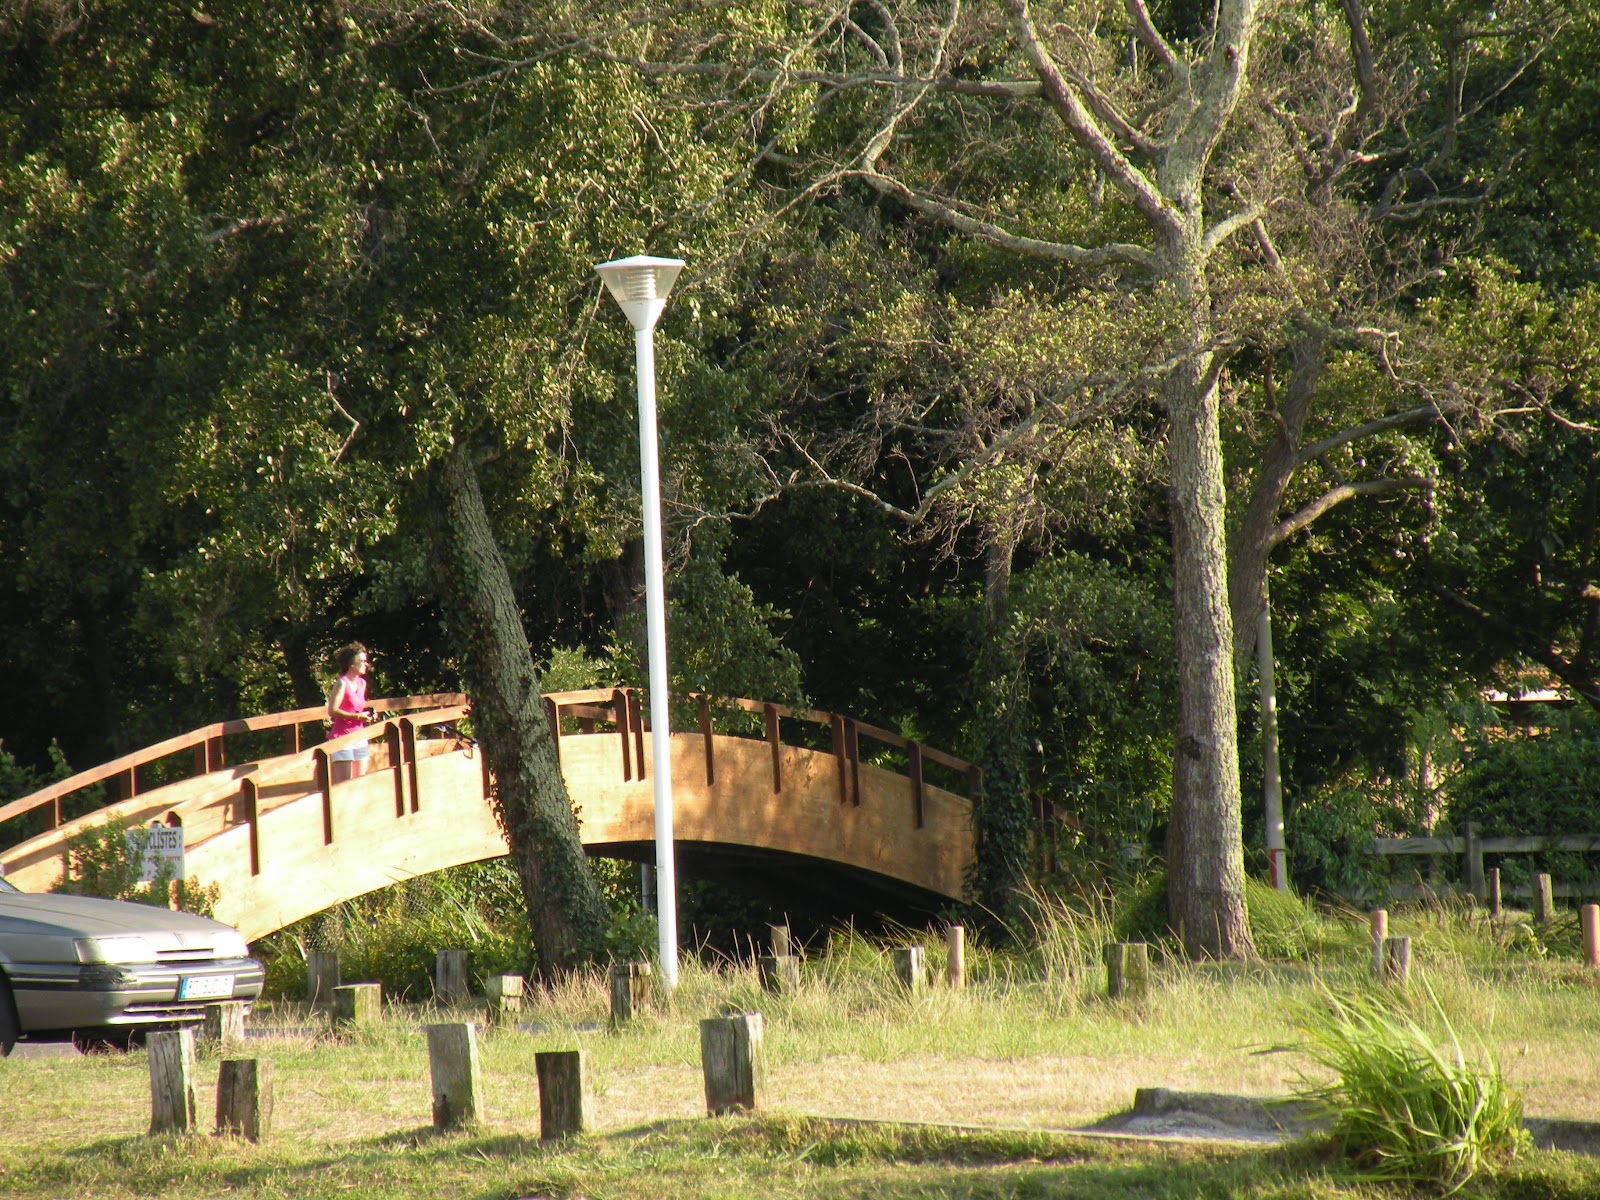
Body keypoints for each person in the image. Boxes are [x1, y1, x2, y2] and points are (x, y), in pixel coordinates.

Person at [327, 642, 373, 784]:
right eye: (362, 661)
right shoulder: (342, 683)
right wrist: (357, 716)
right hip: (342, 736)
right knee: (344, 783)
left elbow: (358, 707)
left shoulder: (362, 683)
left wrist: (368, 715)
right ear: (352, 665)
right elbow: (332, 711)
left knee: (361, 780)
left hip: (359, 735)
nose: (366, 664)